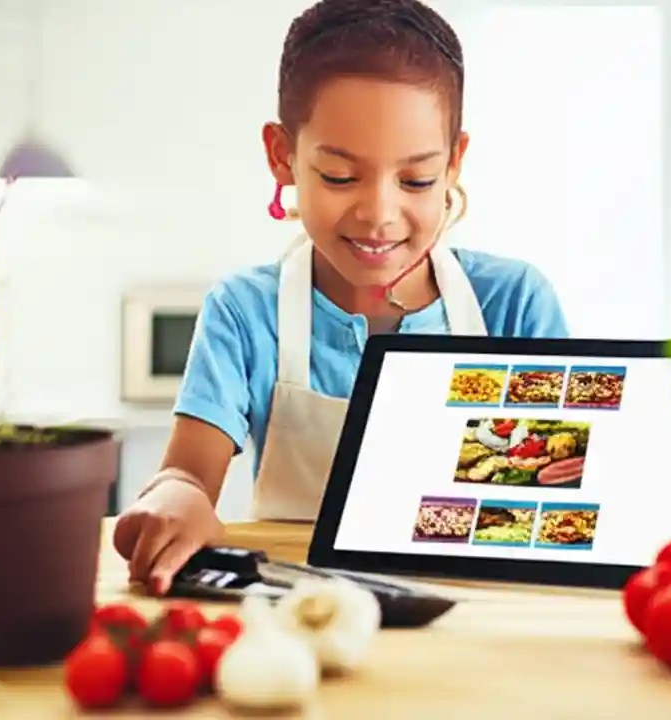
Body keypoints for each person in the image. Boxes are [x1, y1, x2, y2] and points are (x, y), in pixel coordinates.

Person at [113, 0, 570, 594]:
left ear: (455, 162)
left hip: (485, 608)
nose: (379, 215)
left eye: (416, 180)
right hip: (302, 611)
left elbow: (566, 480)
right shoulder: (248, 312)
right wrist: (177, 497)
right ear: (283, 157)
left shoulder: (512, 303)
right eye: (339, 176)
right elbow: (186, 475)